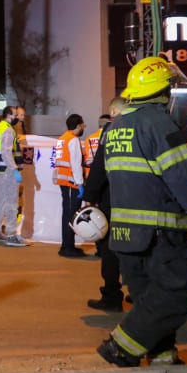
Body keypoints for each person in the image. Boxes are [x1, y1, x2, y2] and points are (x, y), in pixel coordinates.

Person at [97, 56, 187, 368]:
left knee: (149, 298)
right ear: (164, 90)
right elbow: (183, 177)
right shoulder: (160, 124)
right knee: (177, 295)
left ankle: (163, 358)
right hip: (160, 232)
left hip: (125, 235)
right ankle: (120, 346)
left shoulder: (115, 128)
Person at [82, 97, 129, 312]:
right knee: (137, 249)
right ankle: (139, 294)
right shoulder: (143, 127)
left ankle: (112, 297)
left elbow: (99, 166)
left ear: (112, 110)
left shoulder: (111, 130)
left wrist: (90, 195)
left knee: (111, 250)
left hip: (112, 199)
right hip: (139, 200)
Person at [0, 105, 28, 247]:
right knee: (12, 202)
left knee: (1, 201)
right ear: (9, 115)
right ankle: (12, 234)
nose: (17, 118)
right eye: (15, 115)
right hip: (6, 171)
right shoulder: (8, 130)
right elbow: (6, 152)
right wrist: (14, 169)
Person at [54, 114, 88, 258]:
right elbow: (75, 164)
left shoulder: (62, 138)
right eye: (83, 125)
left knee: (68, 213)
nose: (84, 127)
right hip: (71, 183)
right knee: (70, 214)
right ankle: (67, 247)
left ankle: (68, 245)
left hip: (65, 182)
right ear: (78, 126)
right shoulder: (73, 140)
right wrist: (80, 184)